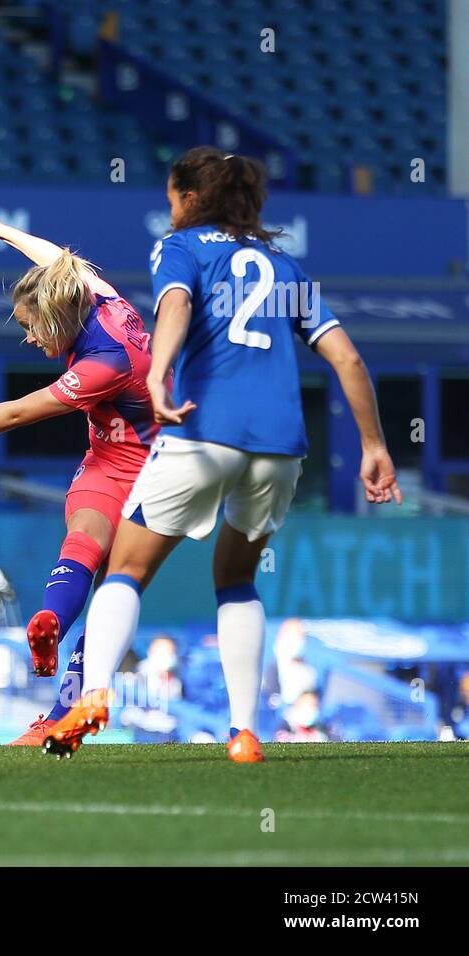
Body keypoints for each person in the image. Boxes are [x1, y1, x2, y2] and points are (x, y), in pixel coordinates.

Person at [43, 147, 402, 762]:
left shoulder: (179, 248)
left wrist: (158, 372)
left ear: (186, 198)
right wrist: (374, 445)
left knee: (126, 569)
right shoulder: (285, 267)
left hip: (202, 431)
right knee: (236, 579)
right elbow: (348, 359)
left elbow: (177, 305)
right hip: (280, 447)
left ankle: (93, 696)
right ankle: (244, 733)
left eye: (169, 197)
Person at [0, 205, 158, 745]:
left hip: (138, 475)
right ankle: (60, 714)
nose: (27, 338)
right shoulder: (100, 299)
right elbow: (57, 259)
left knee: (83, 549)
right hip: (145, 472)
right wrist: (0, 231)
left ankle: (50, 618)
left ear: (54, 318)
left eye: (28, 327)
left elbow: (19, 412)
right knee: (117, 589)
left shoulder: (102, 364)